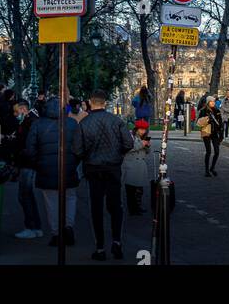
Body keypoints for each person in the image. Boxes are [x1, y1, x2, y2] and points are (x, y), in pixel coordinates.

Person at [74, 89, 133, 261]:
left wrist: (87, 155)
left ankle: (100, 247)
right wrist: (118, 153)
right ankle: (117, 242)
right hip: (113, 167)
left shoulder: (84, 123)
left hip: (93, 168)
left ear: (90, 102)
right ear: (105, 103)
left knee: (96, 208)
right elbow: (128, 143)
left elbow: (77, 149)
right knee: (116, 206)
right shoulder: (116, 120)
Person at [21, 96, 81, 246]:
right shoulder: (72, 124)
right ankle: (68, 226)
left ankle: (56, 232)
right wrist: (74, 162)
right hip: (68, 168)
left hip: (46, 169)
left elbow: (30, 149)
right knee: (70, 198)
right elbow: (80, 148)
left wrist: (39, 164)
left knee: (51, 202)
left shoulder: (38, 124)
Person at [11, 99, 42, 239]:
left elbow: (27, 144)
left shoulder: (30, 122)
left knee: (25, 196)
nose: (15, 114)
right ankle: (35, 226)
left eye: (16, 111)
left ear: (23, 109)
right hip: (28, 162)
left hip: (27, 163)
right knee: (28, 196)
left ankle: (31, 227)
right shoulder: (30, 120)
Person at [123, 118, 154, 214]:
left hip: (140, 165)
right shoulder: (130, 136)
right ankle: (132, 209)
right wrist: (142, 144)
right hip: (131, 165)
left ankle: (138, 207)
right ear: (136, 129)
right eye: (141, 129)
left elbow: (147, 152)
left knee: (139, 189)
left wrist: (147, 146)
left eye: (144, 129)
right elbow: (128, 148)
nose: (143, 131)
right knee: (131, 189)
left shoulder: (143, 138)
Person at [197, 97, 223, 176]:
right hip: (206, 132)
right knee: (208, 151)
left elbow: (220, 123)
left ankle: (212, 168)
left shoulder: (217, 111)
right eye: (211, 101)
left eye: (213, 101)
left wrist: (221, 134)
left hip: (215, 133)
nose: (213, 103)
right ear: (208, 102)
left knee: (217, 152)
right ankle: (206, 170)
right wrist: (208, 120)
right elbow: (199, 122)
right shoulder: (203, 111)